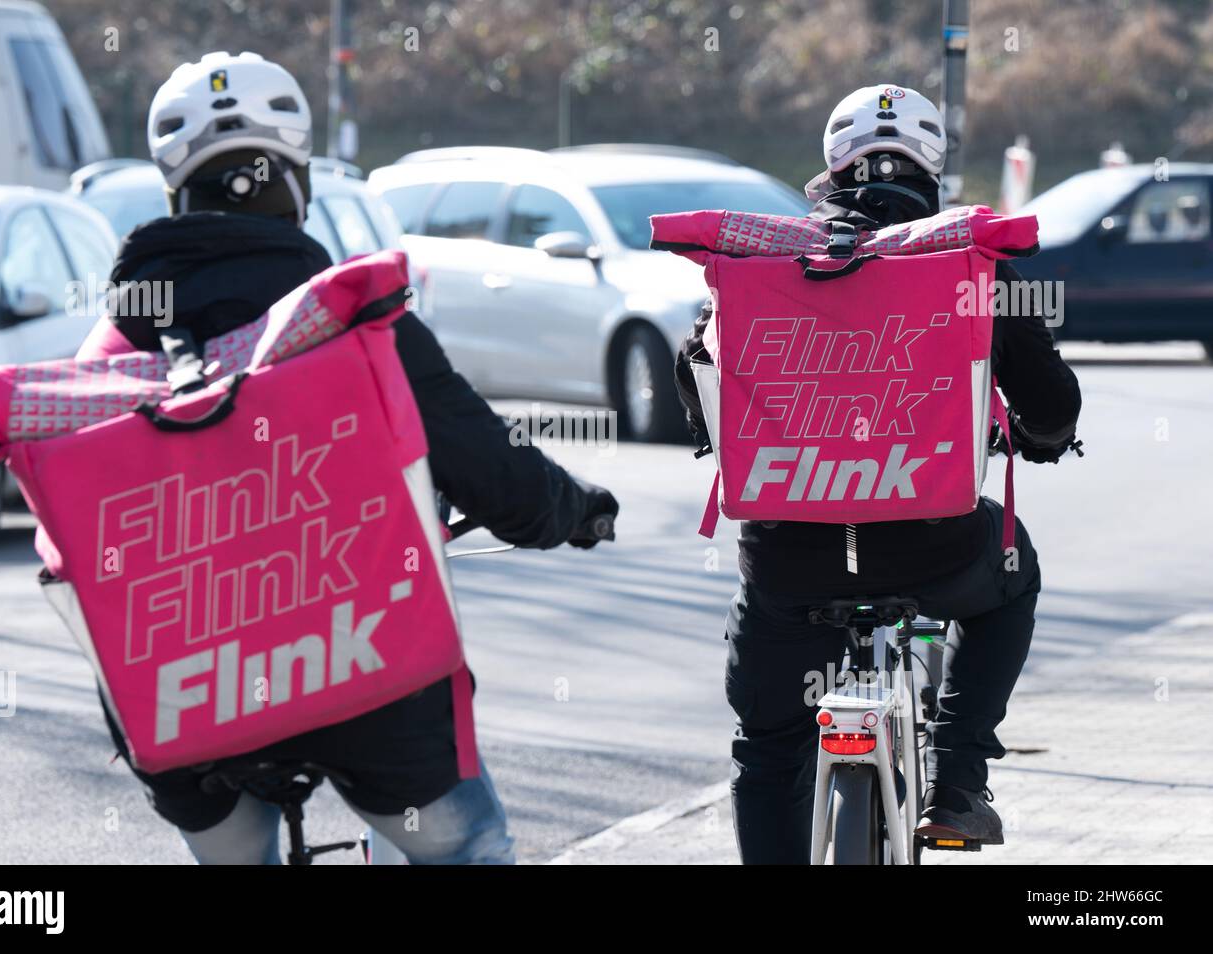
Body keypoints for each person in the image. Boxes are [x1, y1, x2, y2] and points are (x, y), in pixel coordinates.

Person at [80, 52, 618, 865]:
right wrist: (573, 508)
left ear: (172, 194)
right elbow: (493, 470)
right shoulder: (357, 321)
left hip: (183, 703)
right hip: (363, 677)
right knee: (466, 845)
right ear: (297, 187)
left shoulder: (115, 340)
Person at [674, 85, 1082, 864]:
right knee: (1013, 568)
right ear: (934, 165)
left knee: (766, 752)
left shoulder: (766, 257)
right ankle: (957, 782)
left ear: (832, 164)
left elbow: (696, 378)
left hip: (789, 563)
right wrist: (1043, 436)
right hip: (934, 550)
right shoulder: (969, 258)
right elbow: (1051, 404)